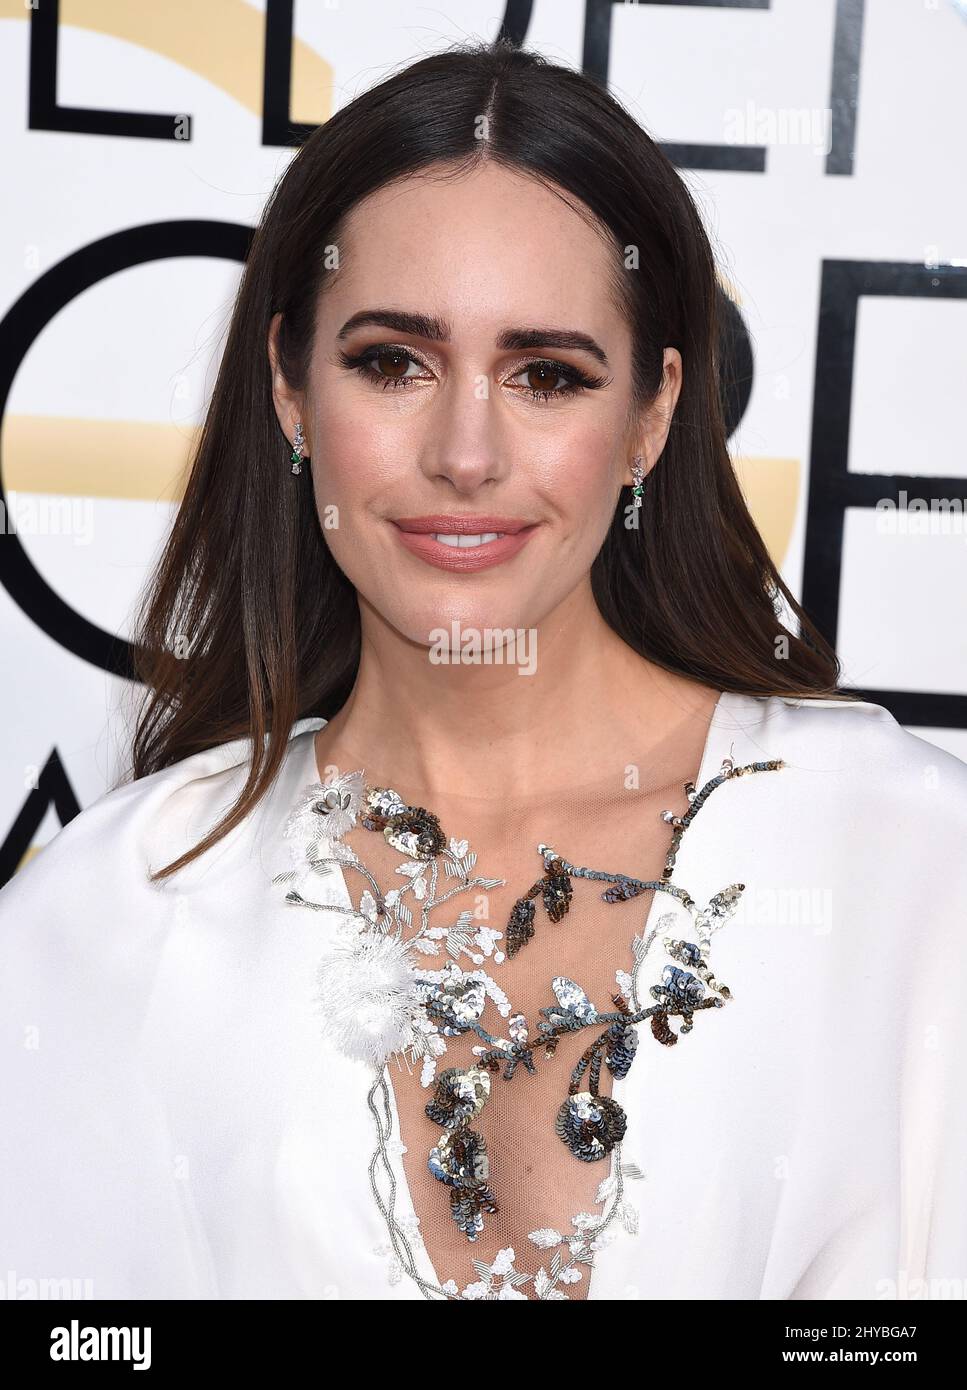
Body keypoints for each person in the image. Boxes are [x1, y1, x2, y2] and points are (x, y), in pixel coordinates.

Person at [1, 38, 965, 1303]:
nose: (465, 452)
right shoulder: (113, 914)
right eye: (392, 362)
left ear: (655, 414)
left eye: (546, 375)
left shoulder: (907, 864)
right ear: (291, 389)